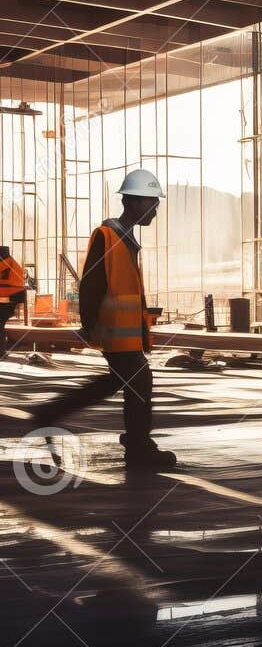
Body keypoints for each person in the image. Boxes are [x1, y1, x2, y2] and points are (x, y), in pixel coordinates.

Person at [28, 169, 178, 471]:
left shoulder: (125, 238)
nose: (156, 210)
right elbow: (90, 282)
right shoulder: (107, 235)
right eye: (152, 203)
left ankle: (51, 412)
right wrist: (88, 323)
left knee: (118, 382)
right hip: (113, 332)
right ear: (135, 202)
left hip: (125, 334)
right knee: (139, 383)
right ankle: (138, 449)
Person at [0, 244, 30, 359]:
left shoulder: (13, 266)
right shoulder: (15, 267)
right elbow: (19, 286)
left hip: (7, 303)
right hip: (9, 302)